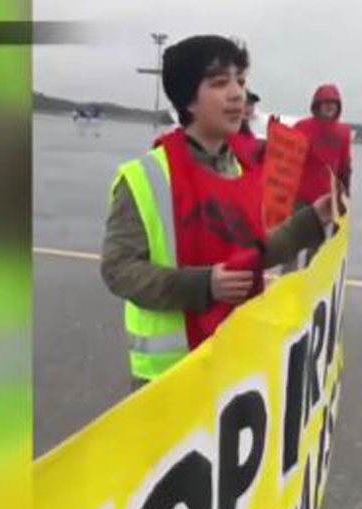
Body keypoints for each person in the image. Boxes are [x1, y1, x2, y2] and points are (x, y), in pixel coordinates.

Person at [101, 35, 341, 390]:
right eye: (219, 83)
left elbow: (256, 252)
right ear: (187, 99)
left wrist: (314, 219)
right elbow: (118, 269)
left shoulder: (244, 171)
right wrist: (204, 284)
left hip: (236, 367)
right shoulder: (144, 177)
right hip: (167, 379)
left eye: (241, 81)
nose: (237, 94)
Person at [288, 83, 353, 270]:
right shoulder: (302, 127)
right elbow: (286, 157)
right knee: (291, 244)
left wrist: (345, 197)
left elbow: (345, 166)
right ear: (317, 104)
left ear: (338, 106)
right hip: (299, 196)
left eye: (333, 103)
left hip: (326, 198)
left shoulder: (343, 132)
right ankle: (285, 287)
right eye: (325, 103)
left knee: (316, 248)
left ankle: (308, 287)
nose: (329, 106)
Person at [233, 90, 265, 166]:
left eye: (251, 104)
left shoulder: (248, 134)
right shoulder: (225, 134)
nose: (249, 108)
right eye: (245, 104)